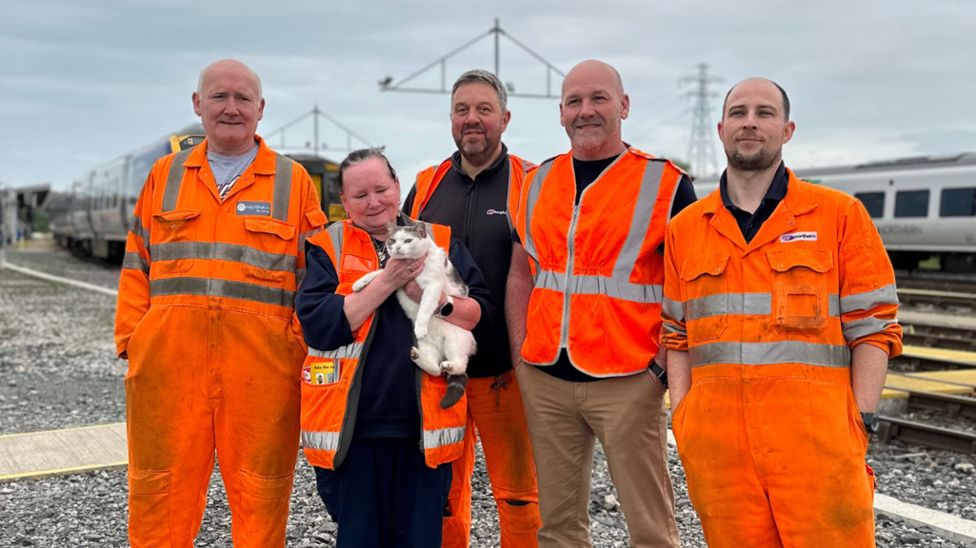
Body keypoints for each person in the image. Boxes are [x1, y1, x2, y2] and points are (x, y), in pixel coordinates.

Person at [662, 77, 903, 547]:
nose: (750, 122)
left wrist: (861, 418)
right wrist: (684, 419)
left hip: (818, 446)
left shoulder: (839, 215)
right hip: (719, 451)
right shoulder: (686, 229)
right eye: (739, 112)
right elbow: (677, 334)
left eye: (765, 113)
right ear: (720, 128)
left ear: (787, 130)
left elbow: (874, 326)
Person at [114, 59, 327, 547]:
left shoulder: (292, 183)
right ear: (197, 105)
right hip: (167, 367)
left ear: (260, 109)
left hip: (262, 373)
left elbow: (314, 277)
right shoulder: (165, 175)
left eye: (242, 98)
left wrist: (292, 347)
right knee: (159, 493)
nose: (231, 108)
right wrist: (133, 340)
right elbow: (135, 262)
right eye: (218, 97)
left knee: (262, 496)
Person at [506, 59, 695, 547]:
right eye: (575, 101)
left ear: (624, 106)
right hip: (546, 375)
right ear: (561, 113)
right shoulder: (537, 181)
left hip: (629, 380)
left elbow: (690, 289)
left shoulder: (667, 184)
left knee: (651, 528)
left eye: (598, 99)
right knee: (559, 527)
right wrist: (520, 353)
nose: (585, 111)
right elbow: (520, 272)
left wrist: (660, 370)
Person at [296, 148, 492, 547]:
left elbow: (479, 314)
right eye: (360, 195)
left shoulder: (439, 240)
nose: (373, 202)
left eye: (382, 189)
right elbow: (318, 325)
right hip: (355, 432)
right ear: (344, 202)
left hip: (423, 429)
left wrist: (434, 298)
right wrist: (388, 281)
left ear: (398, 187)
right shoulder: (327, 246)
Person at [403, 69, 541, 548]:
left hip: (510, 372)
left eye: (484, 110)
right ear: (450, 120)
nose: (472, 120)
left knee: (521, 496)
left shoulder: (533, 183)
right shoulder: (426, 186)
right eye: (462, 110)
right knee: (442, 492)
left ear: (505, 118)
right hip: (440, 373)